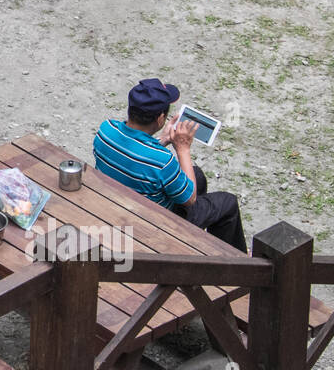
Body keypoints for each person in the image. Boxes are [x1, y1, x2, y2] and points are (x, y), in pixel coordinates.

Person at [93, 78, 247, 252]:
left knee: (197, 176)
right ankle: (237, 262)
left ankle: (195, 241)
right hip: (152, 225)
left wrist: (162, 141)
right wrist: (183, 148)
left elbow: (139, 160)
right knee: (228, 203)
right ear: (160, 119)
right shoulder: (163, 161)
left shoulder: (106, 130)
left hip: (118, 202)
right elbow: (190, 199)